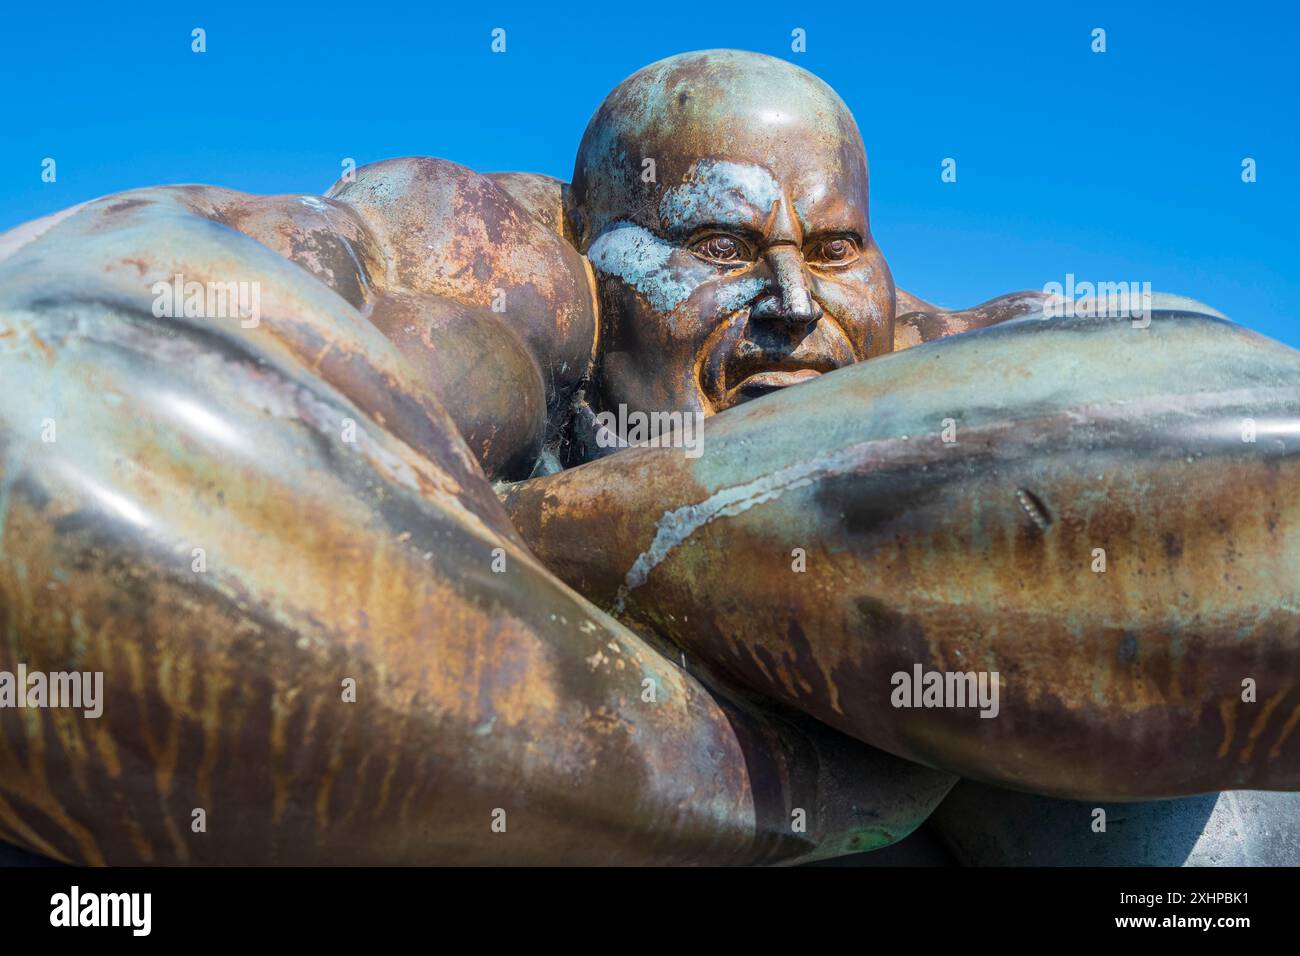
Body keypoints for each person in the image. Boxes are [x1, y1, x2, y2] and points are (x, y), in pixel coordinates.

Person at [0, 50, 1294, 865]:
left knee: (1144, 816)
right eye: (721, 251)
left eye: (834, 247)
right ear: (588, 262)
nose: (794, 302)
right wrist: (810, 785)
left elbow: (1264, 511)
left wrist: (537, 538)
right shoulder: (471, 268)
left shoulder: (941, 351)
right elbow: (67, 474)